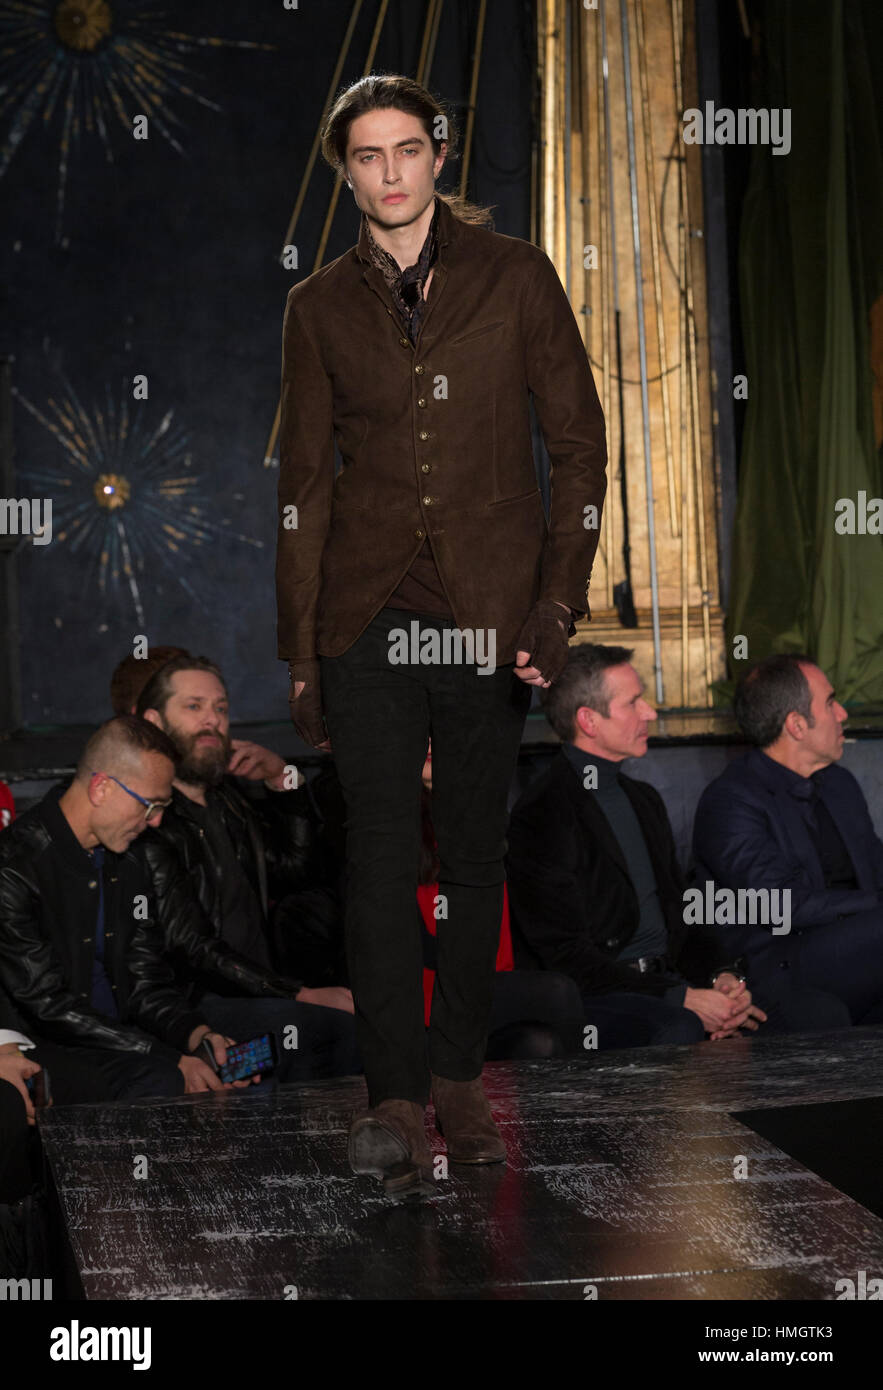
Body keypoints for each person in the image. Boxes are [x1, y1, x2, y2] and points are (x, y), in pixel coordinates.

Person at [277, 75, 607, 1197]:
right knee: (378, 858)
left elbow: (580, 446)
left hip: (488, 614)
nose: (388, 172)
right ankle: (393, 1095)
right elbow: (303, 487)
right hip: (366, 614)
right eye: (365, 157)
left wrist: (558, 603)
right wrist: (300, 652)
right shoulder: (316, 305)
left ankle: (459, 1077)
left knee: (471, 855)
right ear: (347, 172)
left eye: (405, 150)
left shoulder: (515, 275)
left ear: (437, 154)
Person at [506, 645, 778, 1048]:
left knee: (801, 1012)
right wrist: (683, 1001)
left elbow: (682, 917)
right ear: (589, 720)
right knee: (678, 1028)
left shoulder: (642, 798)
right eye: (633, 703)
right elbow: (565, 958)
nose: (650, 713)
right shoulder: (543, 812)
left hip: (666, 981)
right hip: (600, 998)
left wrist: (721, 979)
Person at [0, 717, 253, 1103]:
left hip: (125, 1040)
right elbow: (47, 1004)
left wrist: (196, 1035)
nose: (156, 820)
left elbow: (144, 981)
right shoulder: (16, 866)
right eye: (149, 805)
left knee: (235, 1068)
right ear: (101, 787)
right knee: (162, 1079)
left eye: (162, 806)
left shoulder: (128, 858)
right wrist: (169, 1057)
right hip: (49, 1046)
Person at [136, 654, 359, 1080]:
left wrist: (283, 779)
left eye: (220, 708)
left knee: (359, 1023)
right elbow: (192, 947)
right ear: (154, 720)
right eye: (194, 706)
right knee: (327, 1031)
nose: (212, 720)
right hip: (197, 1004)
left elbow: (298, 873)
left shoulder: (228, 800)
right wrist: (301, 994)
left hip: (262, 992)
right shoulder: (150, 817)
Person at [693, 654, 883, 1027]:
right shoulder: (731, 800)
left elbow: (875, 863)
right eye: (830, 703)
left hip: (858, 946)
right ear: (796, 725)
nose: (843, 714)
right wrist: (877, 905)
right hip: (782, 959)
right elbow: (783, 905)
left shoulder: (839, 784)